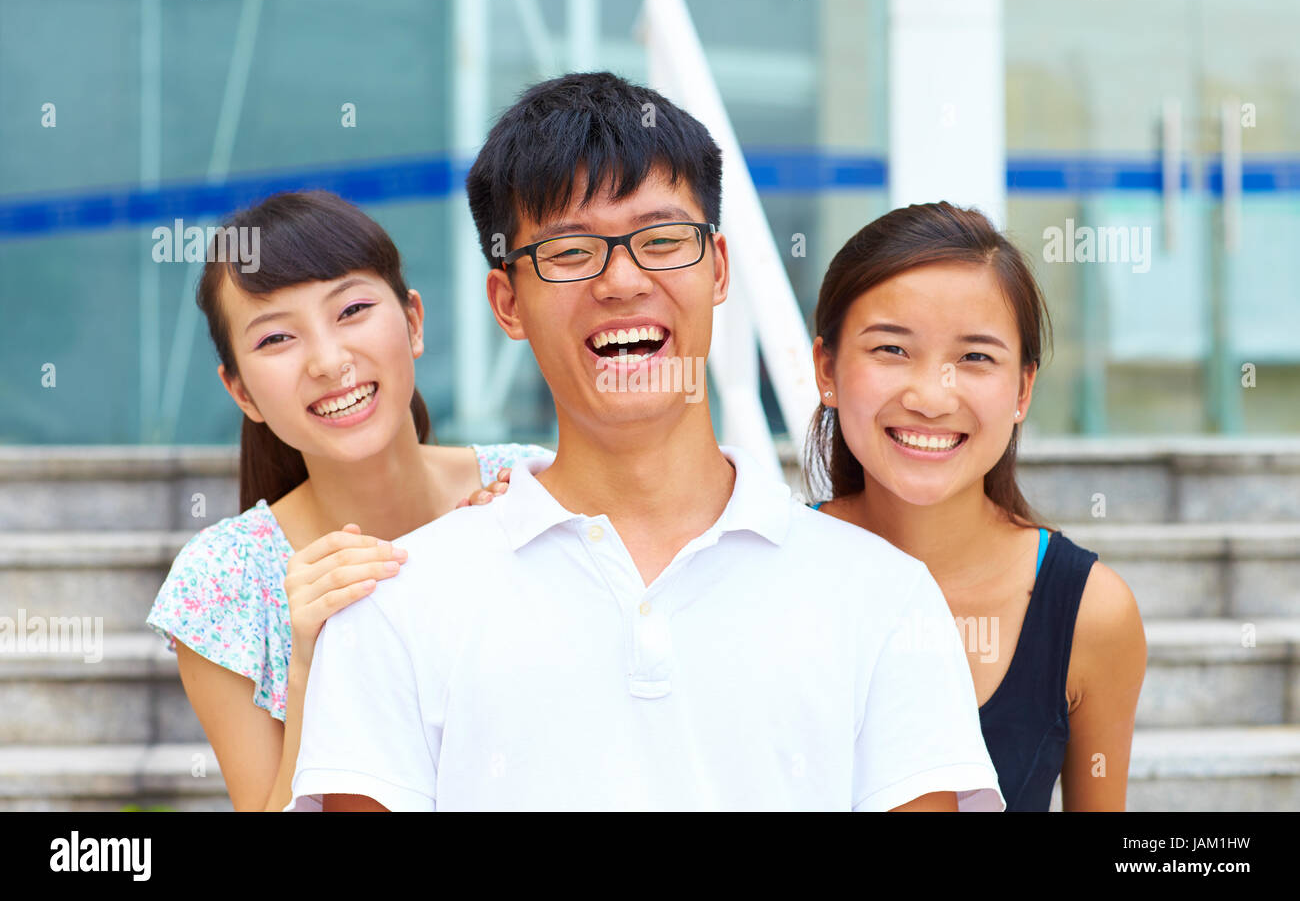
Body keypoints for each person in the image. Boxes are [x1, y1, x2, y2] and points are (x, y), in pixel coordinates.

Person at [286, 73, 1004, 812]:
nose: (622, 280)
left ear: (718, 268)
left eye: (663, 240)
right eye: (568, 252)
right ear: (508, 303)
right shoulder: (395, 608)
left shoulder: (885, 598)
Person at [145, 190, 553, 811]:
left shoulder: (529, 486)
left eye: (353, 309)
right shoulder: (222, 583)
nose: (329, 361)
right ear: (242, 393)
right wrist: (308, 659)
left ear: (413, 322)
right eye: (277, 339)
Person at [805, 201, 1147, 810]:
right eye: (891, 349)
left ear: (1023, 388)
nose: (932, 398)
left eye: (975, 357)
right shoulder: (760, 573)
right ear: (826, 368)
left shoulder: (1091, 614)